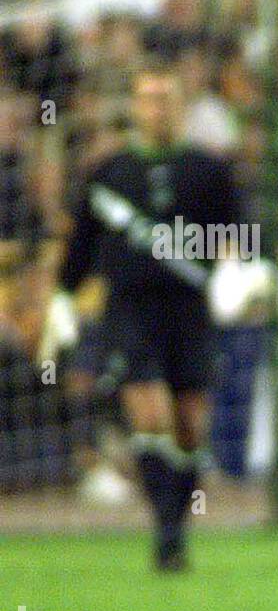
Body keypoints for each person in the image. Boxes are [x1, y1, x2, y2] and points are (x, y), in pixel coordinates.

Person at [48, 65, 241, 570]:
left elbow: (242, 230)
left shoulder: (207, 169)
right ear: (135, 107)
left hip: (189, 309)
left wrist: (246, 272)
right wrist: (64, 298)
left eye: (166, 98)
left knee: (189, 428)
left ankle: (175, 525)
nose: (157, 108)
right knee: (149, 416)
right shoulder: (108, 172)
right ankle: (166, 530)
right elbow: (81, 244)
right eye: (148, 99)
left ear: (181, 105)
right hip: (129, 309)